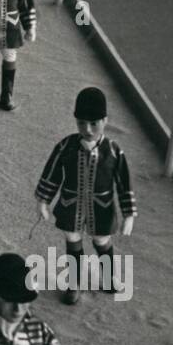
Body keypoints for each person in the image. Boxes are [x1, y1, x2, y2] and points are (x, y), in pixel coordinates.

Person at [35, 86, 136, 304]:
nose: (87, 129)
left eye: (94, 123)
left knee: (102, 240)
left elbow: (123, 183)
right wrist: (43, 201)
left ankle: (108, 278)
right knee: (73, 240)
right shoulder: (65, 146)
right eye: (81, 123)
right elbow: (52, 173)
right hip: (71, 205)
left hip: (101, 208)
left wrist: (129, 215)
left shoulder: (114, 151)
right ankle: (74, 283)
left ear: (105, 121)